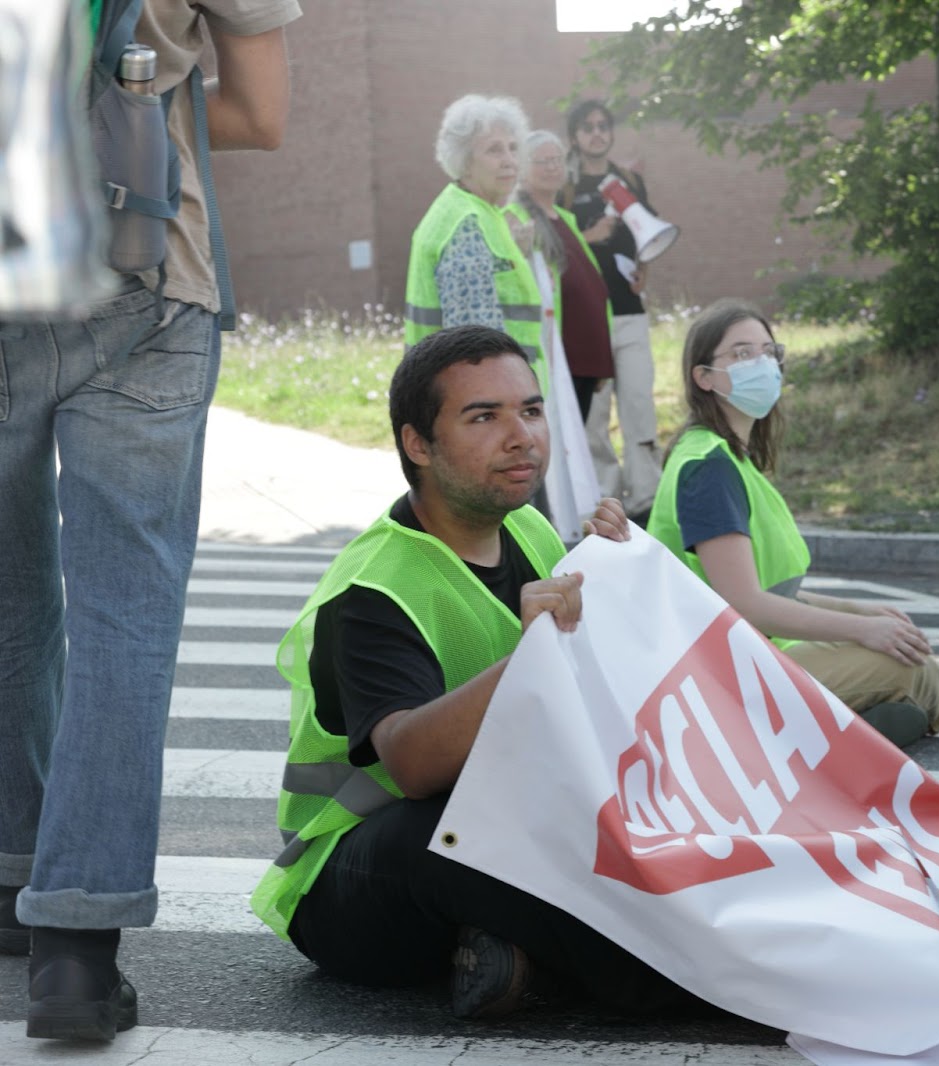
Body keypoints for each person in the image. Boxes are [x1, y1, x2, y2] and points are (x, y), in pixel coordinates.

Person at [0, 0, 299, 1043]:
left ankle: (10, 866)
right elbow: (261, 113)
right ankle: (76, 954)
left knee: (8, 589)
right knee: (122, 617)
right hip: (144, 275)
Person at [250, 325, 692, 1021]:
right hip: (351, 881)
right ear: (417, 445)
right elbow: (415, 766)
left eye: (531, 410)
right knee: (455, 833)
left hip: (488, 818)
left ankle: (511, 954)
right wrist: (534, 651)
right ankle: (683, 984)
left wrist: (610, 580)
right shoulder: (375, 589)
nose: (521, 436)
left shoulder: (530, 531)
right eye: (484, 417)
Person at [647, 300, 939, 749]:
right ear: (704, 377)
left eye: (769, 352)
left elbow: (768, 587)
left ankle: (866, 720)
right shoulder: (707, 467)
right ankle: (935, 703)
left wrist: (861, 611)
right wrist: (863, 630)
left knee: (887, 646)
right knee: (903, 665)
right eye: (743, 354)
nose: (762, 364)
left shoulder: (724, 456)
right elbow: (745, 602)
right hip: (716, 676)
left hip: (745, 656)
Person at [559, 99, 663, 523]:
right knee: (595, 417)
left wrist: (644, 271)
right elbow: (555, 246)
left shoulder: (629, 181)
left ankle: (646, 498)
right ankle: (602, 499)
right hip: (587, 321)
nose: (597, 133)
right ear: (575, 136)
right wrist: (591, 234)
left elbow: (647, 236)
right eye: (588, 127)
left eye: (603, 126)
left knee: (639, 404)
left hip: (630, 312)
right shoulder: (563, 186)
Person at [403, 95, 544, 388]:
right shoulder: (465, 223)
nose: (509, 160)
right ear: (465, 162)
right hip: (486, 402)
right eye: (494, 150)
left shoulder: (481, 211)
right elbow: (474, 352)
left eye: (513, 147)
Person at [507, 130, 613, 424]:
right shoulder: (515, 217)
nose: (553, 167)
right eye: (542, 161)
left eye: (557, 159)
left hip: (587, 357)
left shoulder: (566, 218)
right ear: (523, 170)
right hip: (558, 357)